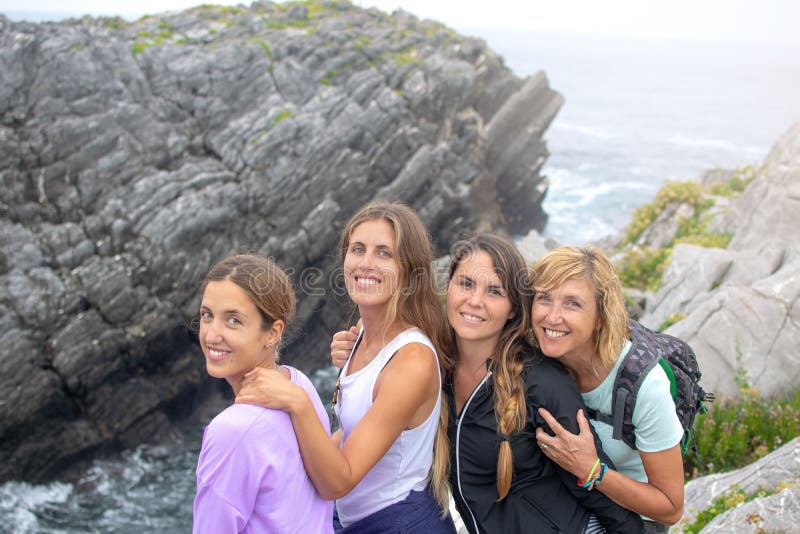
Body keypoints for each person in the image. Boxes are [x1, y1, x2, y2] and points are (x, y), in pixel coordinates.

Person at [332, 234, 644, 533]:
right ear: (448, 287)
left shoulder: (541, 384)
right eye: (465, 284)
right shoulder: (432, 366)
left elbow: (608, 505)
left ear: (513, 308)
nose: (474, 301)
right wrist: (361, 348)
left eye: (494, 291)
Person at [236, 202, 456, 533]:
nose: (366, 264)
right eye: (358, 249)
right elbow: (353, 432)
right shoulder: (364, 335)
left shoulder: (412, 361)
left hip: (400, 523)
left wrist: (297, 402)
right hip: (358, 519)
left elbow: (339, 481)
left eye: (384, 253)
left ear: (409, 270)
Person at [530, 246, 684, 533]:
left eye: (572, 304)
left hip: (635, 521)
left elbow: (671, 508)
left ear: (601, 316)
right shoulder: (539, 359)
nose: (552, 317)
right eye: (544, 298)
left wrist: (592, 470)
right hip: (570, 504)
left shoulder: (644, 385)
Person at [192, 254, 333, 534]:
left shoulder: (231, 431)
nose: (211, 335)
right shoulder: (299, 385)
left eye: (233, 320)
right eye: (207, 315)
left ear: (273, 333)